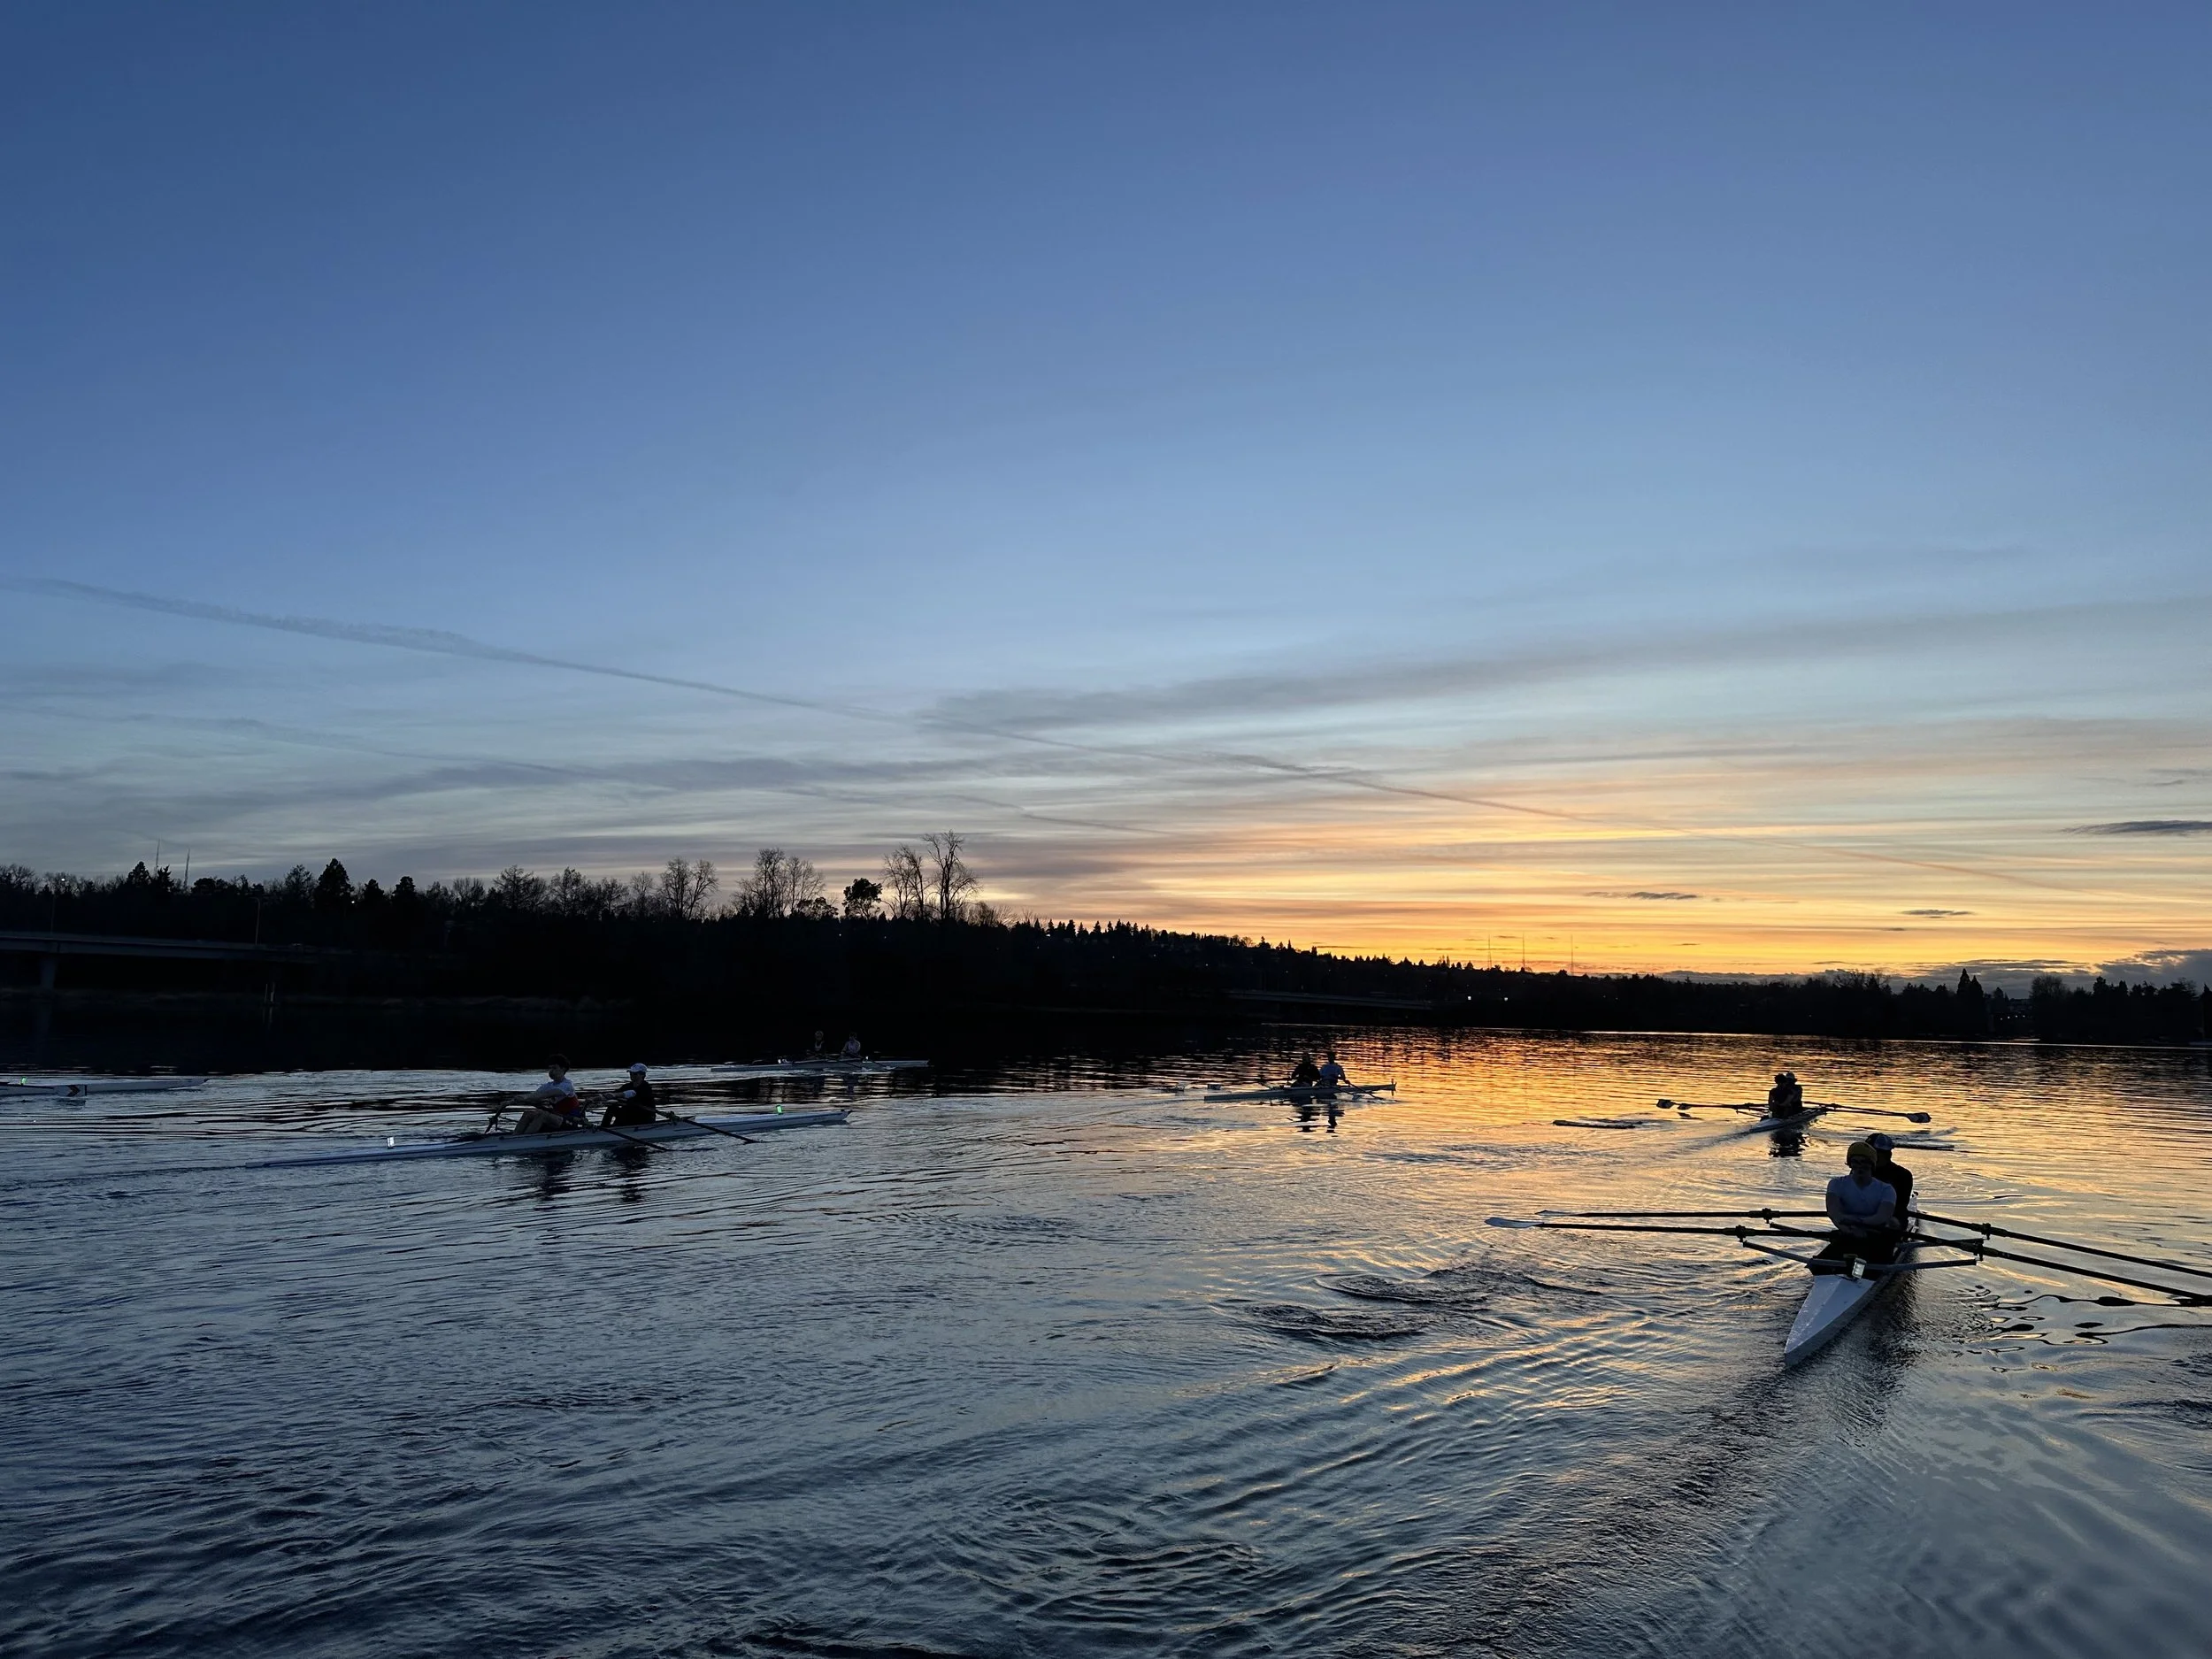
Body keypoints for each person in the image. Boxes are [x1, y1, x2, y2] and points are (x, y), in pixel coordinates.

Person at [1820, 1141, 1901, 1264]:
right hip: (1847, 1232)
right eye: (1855, 1162)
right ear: (1850, 1164)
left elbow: (1882, 1217)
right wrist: (1848, 1230)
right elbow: (1833, 1212)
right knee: (1816, 1266)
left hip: (1876, 1236)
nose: (1860, 1166)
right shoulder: (1836, 1184)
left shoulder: (1886, 1189)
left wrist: (1857, 1223)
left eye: (1865, 1162)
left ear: (1872, 1165)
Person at [514, 1055, 586, 1134]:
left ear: (563, 1069)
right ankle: (514, 1136)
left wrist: (525, 1098)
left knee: (542, 1115)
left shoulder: (567, 1086)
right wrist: (509, 1102)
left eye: (554, 1068)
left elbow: (545, 1094)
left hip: (570, 1121)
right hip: (557, 1118)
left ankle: (525, 1140)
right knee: (528, 1113)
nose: (551, 1071)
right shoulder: (548, 1085)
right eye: (550, 1068)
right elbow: (535, 1095)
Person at [1867, 1132, 1915, 1221]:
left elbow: (1900, 1206)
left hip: (1891, 1219)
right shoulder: (1860, 1170)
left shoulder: (1903, 1175)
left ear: (1888, 1155)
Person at [601, 1063, 657, 1128]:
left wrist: (615, 1095)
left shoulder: (645, 1087)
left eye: (635, 1074)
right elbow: (612, 1094)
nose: (632, 1075)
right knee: (612, 1107)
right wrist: (595, 1098)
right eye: (631, 1073)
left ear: (642, 1075)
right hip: (631, 1114)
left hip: (644, 1117)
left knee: (625, 1110)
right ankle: (603, 1128)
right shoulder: (627, 1086)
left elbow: (631, 1093)